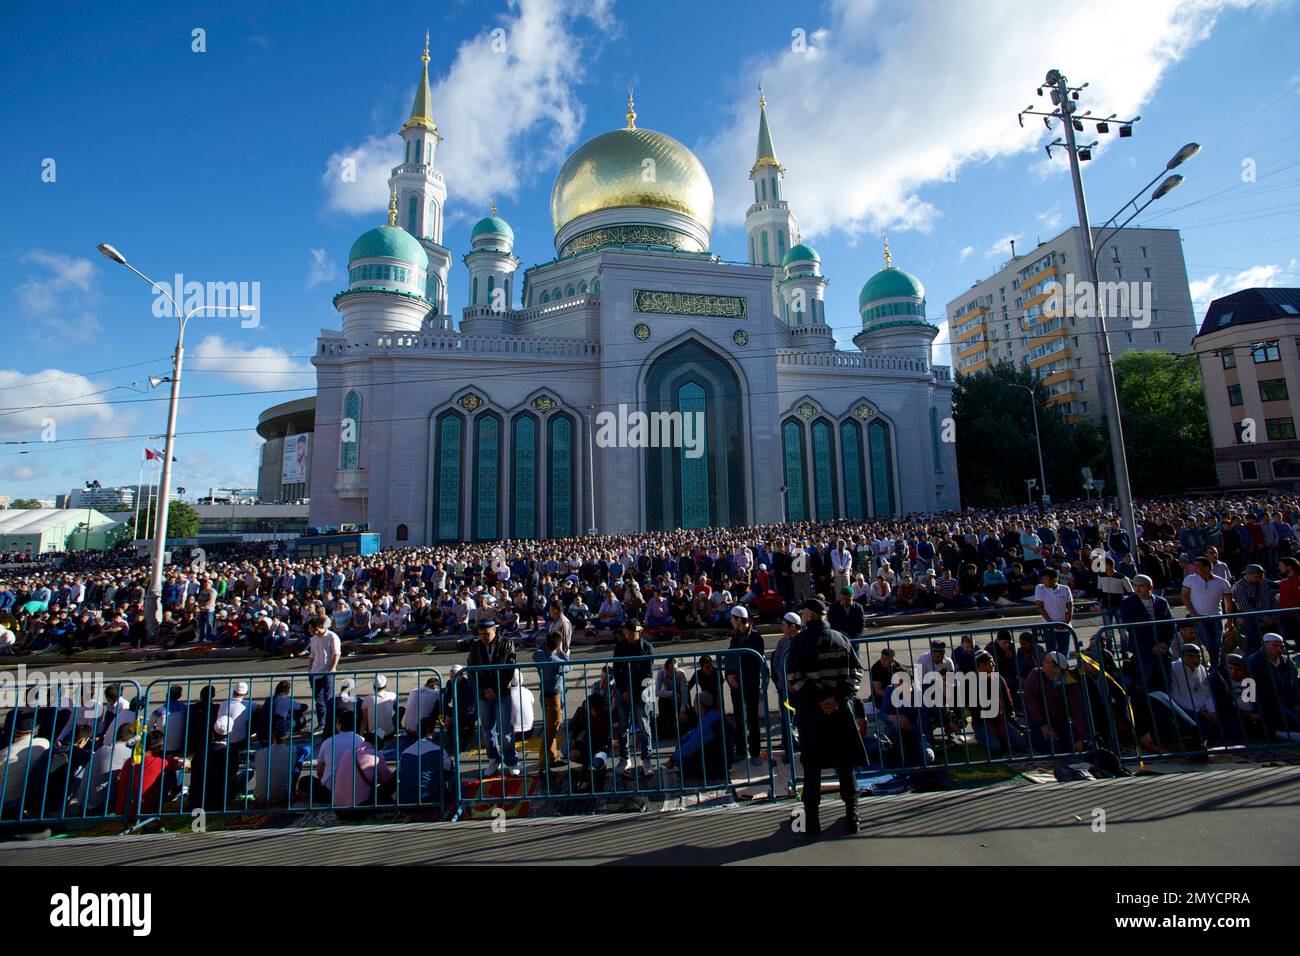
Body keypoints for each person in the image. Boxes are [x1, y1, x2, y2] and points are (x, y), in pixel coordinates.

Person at [786, 598, 867, 837]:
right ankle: (853, 815)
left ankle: (812, 820)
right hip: (840, 712)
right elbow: (856, 673)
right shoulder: (841, 638)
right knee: (845, 764)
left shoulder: (800, 641)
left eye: (803, 612)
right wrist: (837, 698)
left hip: (813, 714)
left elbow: (794, 677)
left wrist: (820, 699)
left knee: (812, 766)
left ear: (810, 616)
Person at [466, 621, 520, 777]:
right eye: (481, 633)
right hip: (483, 694)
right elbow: (471, 670)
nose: (484, 636)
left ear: (494, 630)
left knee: (505, 730)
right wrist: (483, 691)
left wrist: (496, 690)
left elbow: (509, 669)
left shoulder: (507, 644)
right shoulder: (476, 646)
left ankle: (511, 761)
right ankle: (493, 759)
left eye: (487, 633)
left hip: (502, 693)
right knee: (487, 730)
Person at [1021, 652, 1091, 755]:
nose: (1043, 663)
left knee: (1076, 746)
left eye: (1047, 662)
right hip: (1040, 722)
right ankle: (1029, 736)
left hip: (1061, 722)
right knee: (1055, 749)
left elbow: (1078, 711)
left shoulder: (1070, 682)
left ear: (1057, 669)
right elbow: (1030, 702)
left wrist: (1080, 736)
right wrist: (1042, 723)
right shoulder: (1036, 675)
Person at [721, 605, 766, 766]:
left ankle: (754, 752)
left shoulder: (755, 638)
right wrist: (728, 675)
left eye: (733, 619)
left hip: (750, 683)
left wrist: (737, 676)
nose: (731, 623)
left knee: (752, 718)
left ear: (738, 620)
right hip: (736, 685)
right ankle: (741, 751)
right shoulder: (735, 637)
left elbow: (754, 663)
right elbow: (730, 658)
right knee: (739, 718)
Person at [612, 620, 656, 776]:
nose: (630, 636)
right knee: (623, 726)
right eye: (627, 633)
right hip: (623, 691)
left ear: (639, 632)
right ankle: (625, 758)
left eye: (633, 633)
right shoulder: (620, 647)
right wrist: (624, 690)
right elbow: (616, 671)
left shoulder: (647, 648)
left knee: (644, 725)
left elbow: (648, 674)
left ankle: (646, 758)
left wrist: (635, 691)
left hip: (641, 692)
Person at [1119, 574, 1175, 693]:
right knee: (1146, 683)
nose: (1138, 589)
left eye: (1141, 586)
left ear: (1150, 587)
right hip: (1143, 650)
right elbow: (1132, 628)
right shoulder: (1127, 603)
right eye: (1135, 586)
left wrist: (1166, 643)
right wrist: (1151, 648)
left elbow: (1170, 625)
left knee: (1166, 683)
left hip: (1163, 649)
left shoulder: (1161, 602)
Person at [1181, 556, 1234, 667]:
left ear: (1206, 568)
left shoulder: (1222, 582)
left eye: (1197, 566)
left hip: (1216, 618)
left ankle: (1215, 668)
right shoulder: (1190, 579)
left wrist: (1229, 621)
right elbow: (1184, 597)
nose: (1194, 568)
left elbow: (1228, 602)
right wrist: (1193, 613)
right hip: (1199, 618)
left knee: (1217, 646)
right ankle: (1208, 668)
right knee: (1205, 645)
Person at [1247, 633, 1300, 739]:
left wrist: (1296, 702)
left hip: (1288, 701)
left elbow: (1294, 684)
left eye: (1281, 646)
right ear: (1264, 645)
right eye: (1275, 645)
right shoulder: (1253, 663)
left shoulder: (1287, 662)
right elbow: (1250, 690)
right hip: (1269, 705)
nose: (1279, 649)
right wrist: (1255, 710)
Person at [251, 717, 311, 807]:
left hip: (259, 796)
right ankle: (292, 792)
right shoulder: (294, 750)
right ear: (288, 734)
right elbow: (308, 750)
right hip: (282, 796)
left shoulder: (260, 752)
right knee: (300, 759)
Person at [532, 631, 570, 767]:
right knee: (552, 728)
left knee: (551, 726)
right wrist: (562, 652)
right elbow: (569, 666)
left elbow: (535, 654)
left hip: (545, 693)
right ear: (558, 644)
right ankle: (544, 761)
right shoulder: (554, 661)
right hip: (553, 695)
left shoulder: (539, 654)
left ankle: (552, 756)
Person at [1168, 643, 1219, 744]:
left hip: (1203, 710)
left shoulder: (1203, 670)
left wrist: (1212, 712)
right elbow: (1176, 697)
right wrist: (1200, 712)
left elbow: (1208, 694)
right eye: (1191, 656)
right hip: (1184, 709)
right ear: (1182, 656)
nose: (1195, 660)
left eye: (1198, 657)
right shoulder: (1173, 669)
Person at [398, 715, 451, 807]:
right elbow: (451, 768)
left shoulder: (405, 752)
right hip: (429, 799)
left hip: (405, 800)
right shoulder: (437, 750)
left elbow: (400, 774)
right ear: (433, 732)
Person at [306, 615, 341, 734]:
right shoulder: (314, 639)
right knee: (319, 701)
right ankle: (322, 724)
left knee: (329, 699)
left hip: (327, 672)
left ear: (316, 628)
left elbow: (337, 654)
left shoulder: (332, 636)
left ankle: (331, 724)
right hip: (314, 673)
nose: (309, 630)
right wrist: (309, 670)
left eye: (310, 628)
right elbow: (312, 655)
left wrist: (331, 669)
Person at [1033, 567, 1073, 655]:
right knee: (1052, 655)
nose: (1043, 581)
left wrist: (1065, 623)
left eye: (1045, 579)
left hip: (1065, 628)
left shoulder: (1065, 589)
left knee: (1064, 654)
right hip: (1049, 628)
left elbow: (1070, 607)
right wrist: (1051, 624)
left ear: (1054, 579)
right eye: (1043, 578)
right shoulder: (1039, 588)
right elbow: (1040, 607)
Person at [357, 674, 398, 743]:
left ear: (373, 686)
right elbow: (396, 709)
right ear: (385, 686)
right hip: (389, 733)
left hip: (374, 735)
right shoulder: (393, 695)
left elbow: (364, 719)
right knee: (400, 709)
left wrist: (360, 736)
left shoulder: (367, 699)